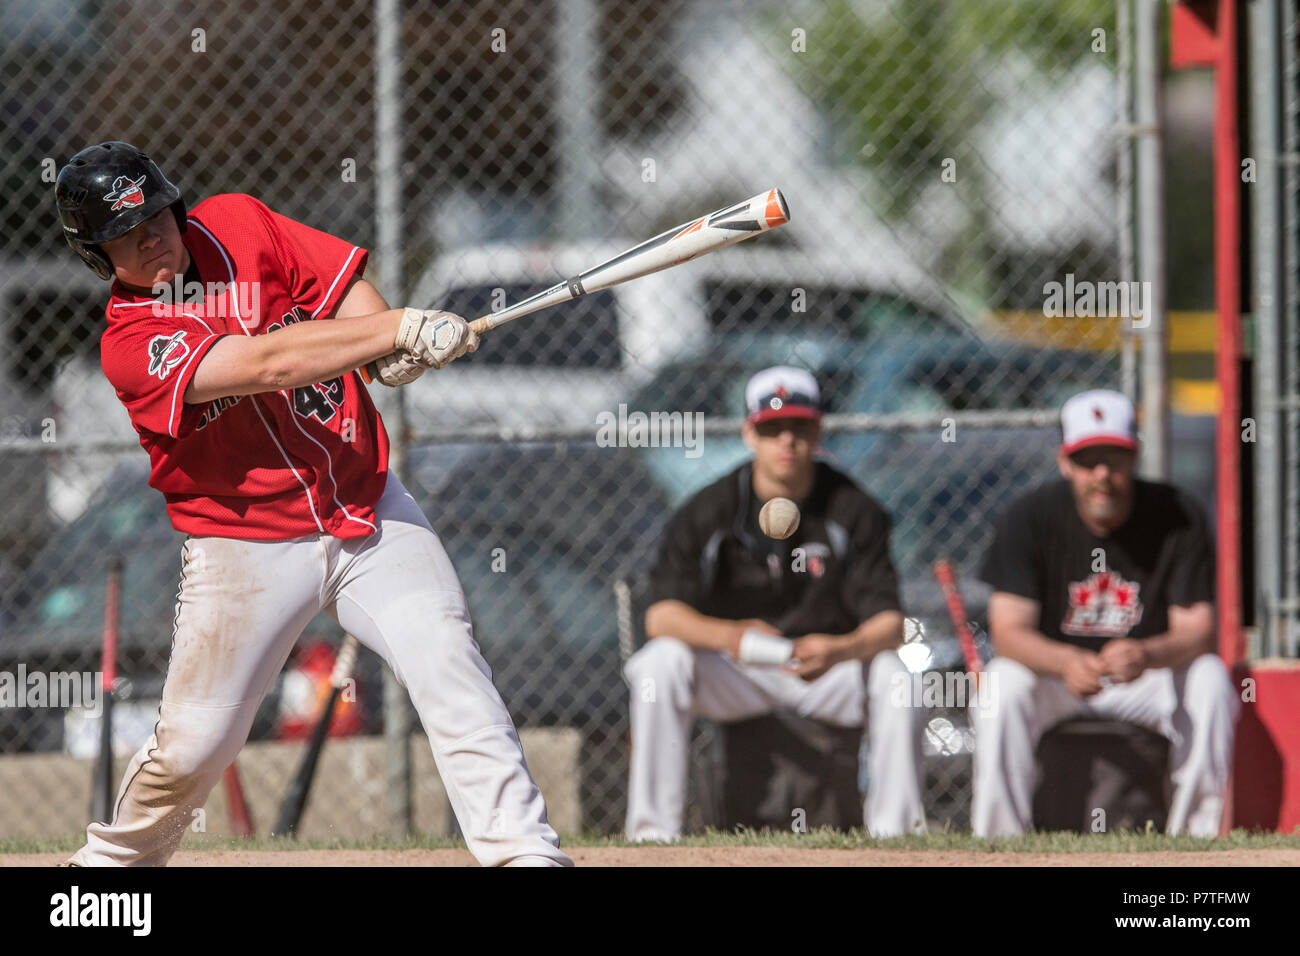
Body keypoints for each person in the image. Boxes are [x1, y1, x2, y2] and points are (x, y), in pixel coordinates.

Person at [54, 141, 572, 866]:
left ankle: (524, 853)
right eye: (126, 237)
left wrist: (387, 337)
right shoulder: (130, 345)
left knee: (445, 654)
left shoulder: (238, 222)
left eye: (157, 219)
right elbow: (271, 362)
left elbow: (338, 282)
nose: (151, 239)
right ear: (98, 258)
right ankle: (106, 874)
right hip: (245, 545)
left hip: (366, 507)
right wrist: (394, 330)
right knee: (195, 748)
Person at [623, 366, 926, 841]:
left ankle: (895, 838)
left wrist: (839, 649)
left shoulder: (853, 508)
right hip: (738, 668)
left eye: (799, 427)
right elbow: (661, 616)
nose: (786, 440)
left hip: (825, 669)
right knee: (657, 666)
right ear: (749, 433)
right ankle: (653, 837)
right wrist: (731, 636)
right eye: (771, 428)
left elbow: (891, 626)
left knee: (896, 677)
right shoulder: (710, 509)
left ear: (818, 431)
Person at [972, 388, 1238, 837]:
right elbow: (1007, 632)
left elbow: (1199, 631)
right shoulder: (1030, 516)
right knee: (1000, 684)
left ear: (1134, 458)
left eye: (1113, 458)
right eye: (1087, 460)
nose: (1101, 474)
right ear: (1064, 462)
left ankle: (1197, 838)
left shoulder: (1177, 515)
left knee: (1210, 678)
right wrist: (1065, 661)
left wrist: (1146, 654)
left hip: (1144, 678)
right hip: (1059, 678)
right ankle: (1000, 842)